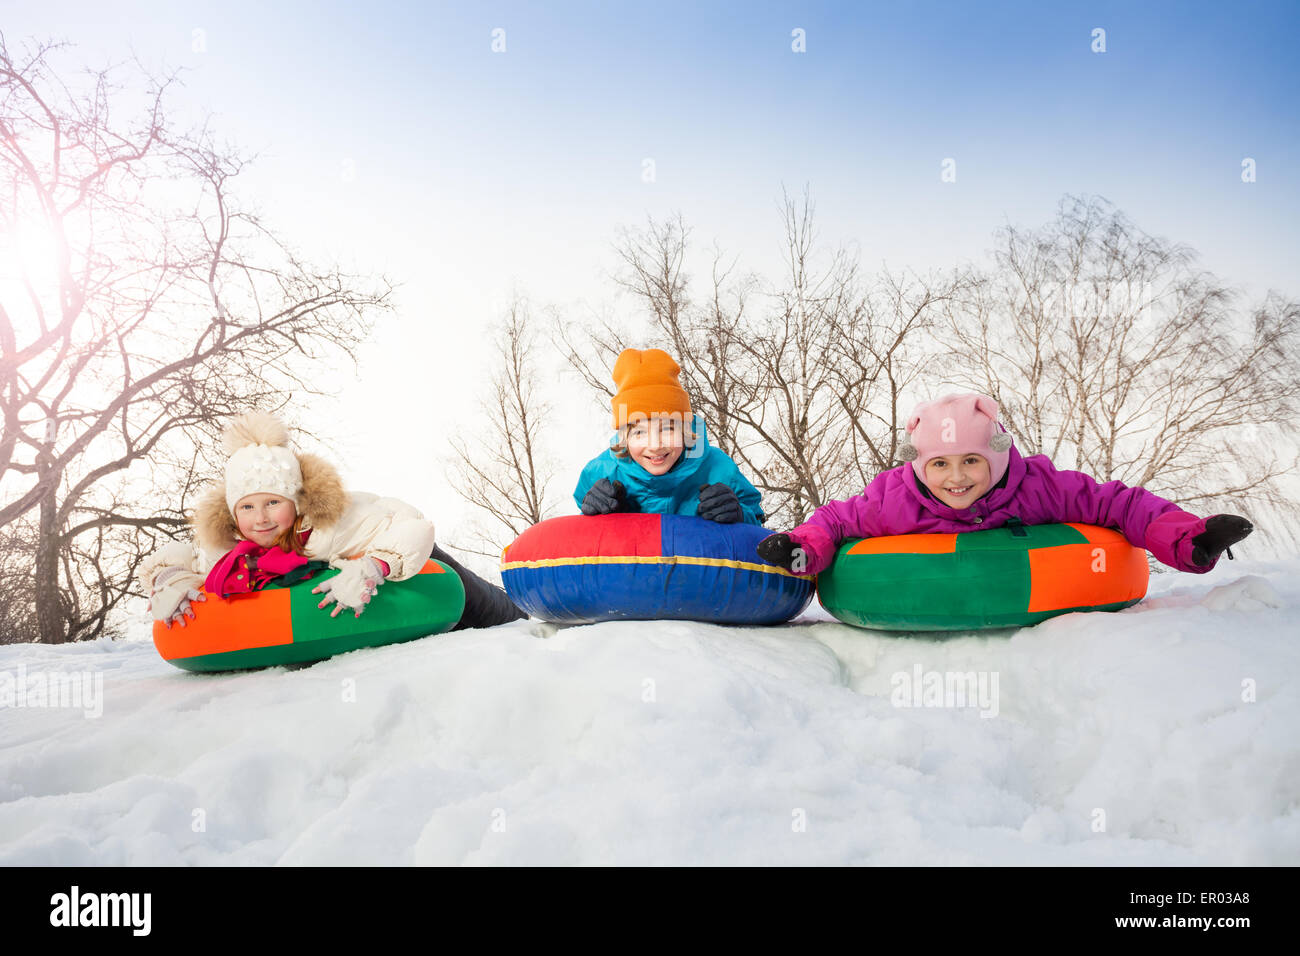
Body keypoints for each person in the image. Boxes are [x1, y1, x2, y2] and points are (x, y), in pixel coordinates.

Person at [756, 392, 1253, 576]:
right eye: (941, 465)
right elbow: (838, 520)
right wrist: (802, 550)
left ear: (994, 456)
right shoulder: (896, 498)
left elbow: (1117, 504)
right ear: (919, 464)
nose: (956, 478)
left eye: (970, 460)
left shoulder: (1036, 485)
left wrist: (1191, 538)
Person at [140, 411, 525, 630]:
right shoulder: (229, 549)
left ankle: (526, 614)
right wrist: (166, 580)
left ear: (294, 499)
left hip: (415, 557)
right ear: (231, 512)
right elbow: (185, 559)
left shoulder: (332, 523)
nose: (260, 519)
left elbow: (415, 528)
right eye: (247, 508)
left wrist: (373, 566)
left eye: (273, 502)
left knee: (497, 616)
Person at [572, 348, 765, 524]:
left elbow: (759, 528)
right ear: (625, 438)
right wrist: (595, 520)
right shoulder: (601, 472)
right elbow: (583, 549)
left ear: (684, 431)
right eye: (639, 432)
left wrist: (740, 515)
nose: (655, 445)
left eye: (667, 429)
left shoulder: (718, 468)